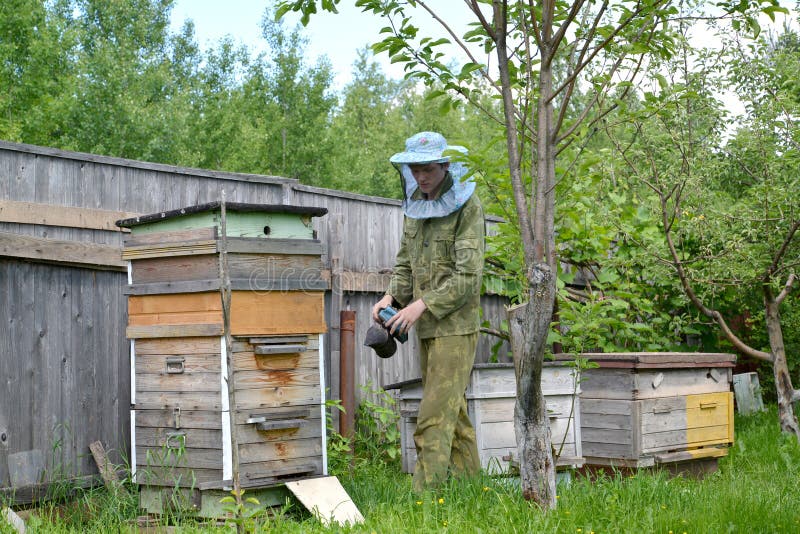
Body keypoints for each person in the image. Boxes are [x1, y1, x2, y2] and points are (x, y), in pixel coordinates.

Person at [371, 131, 485, 492]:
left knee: (433, 417)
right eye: (415, 169)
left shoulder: (468, 207)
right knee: (456, 416)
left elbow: (468, 276)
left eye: (429, 169)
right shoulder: (416, 209)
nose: (421, 177)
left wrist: (421, 305)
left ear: (446, 165)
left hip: (456, 328)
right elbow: (405, 266)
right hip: (427, 329)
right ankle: (472, 494)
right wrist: (390, 298)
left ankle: (421, 506)